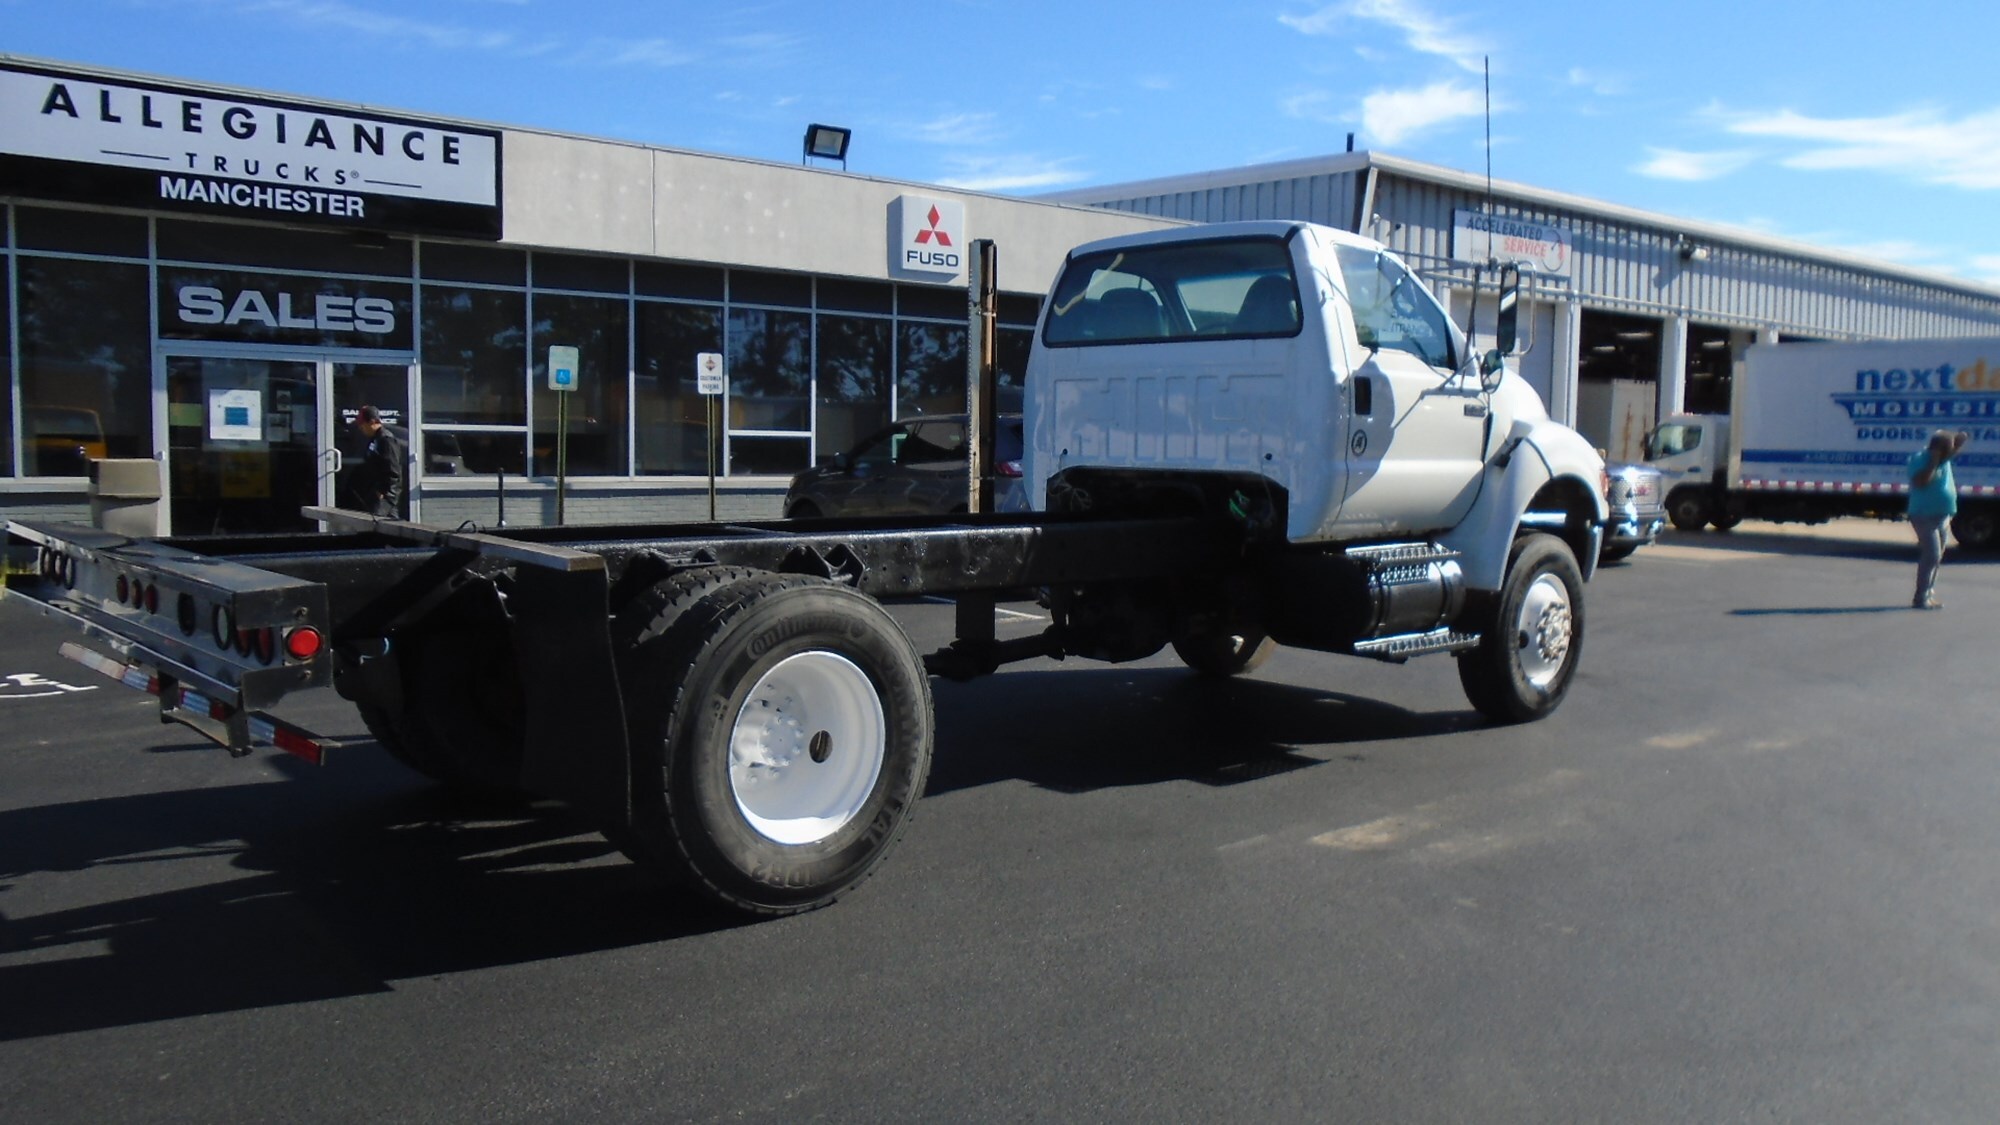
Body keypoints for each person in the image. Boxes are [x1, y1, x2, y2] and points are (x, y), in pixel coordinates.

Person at [1906, 428, 1968, 609]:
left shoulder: (1944, 459)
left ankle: (1928, 593)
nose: (1952, 453)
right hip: (1924, 515)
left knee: (1937, 557)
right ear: (1938, 450)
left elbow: (1954, 449)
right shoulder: (1919, 459)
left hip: (1942, 515)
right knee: (1931, 555)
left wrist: (1959, 441)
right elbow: (1921, 482)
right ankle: (1920, 598)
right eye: (1948, 449)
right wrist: (1932, 461)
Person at [348, 405, 406, 518]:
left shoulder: (386, 440)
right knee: (387, 524)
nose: (360, 428)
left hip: (385, 495)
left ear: (373, 422)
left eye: (362, 424)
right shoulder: (375, 439)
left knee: (377, 523)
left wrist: (384, 492)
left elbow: (393, 470)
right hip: (375, 491)